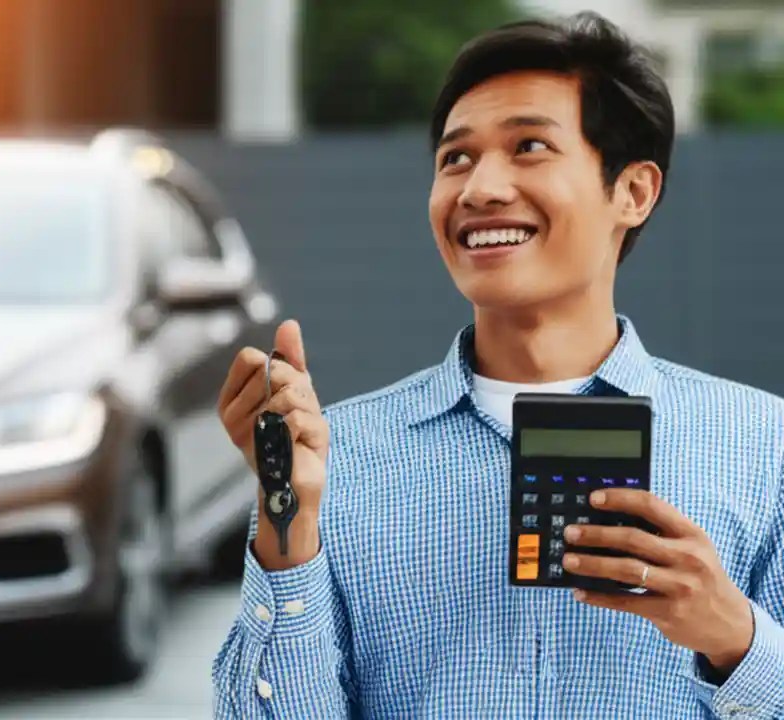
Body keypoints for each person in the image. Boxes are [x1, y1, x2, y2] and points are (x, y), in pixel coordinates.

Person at [211, 11, 784, 719]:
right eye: (455, 158)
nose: (479, 188)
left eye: (529, 146)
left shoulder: (763, 445)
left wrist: (735, 637)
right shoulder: (338, 458)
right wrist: (287, 529)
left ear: (632, 193)